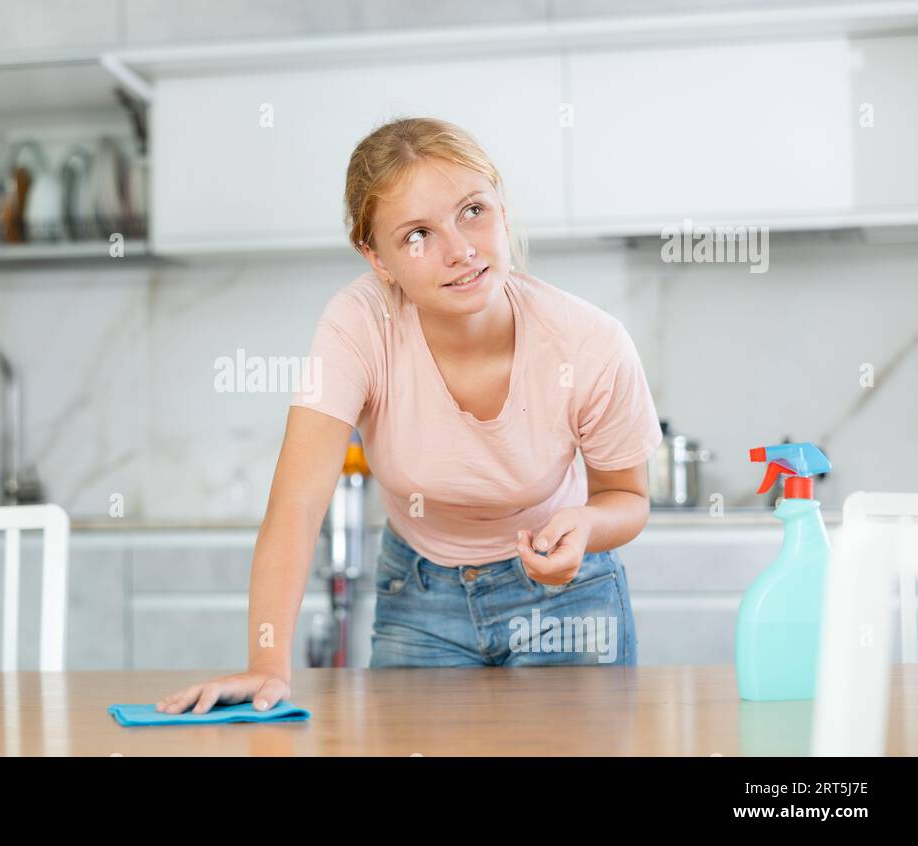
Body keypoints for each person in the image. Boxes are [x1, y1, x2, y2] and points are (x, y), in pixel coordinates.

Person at [157, 117, 663, 714]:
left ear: (499, 202)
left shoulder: (590, 343)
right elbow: (296, 505)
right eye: (418, 234)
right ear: (376, 257)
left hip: (567, 600)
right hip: (419, 595)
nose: (460, 249)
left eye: (473, 210)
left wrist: (583, 525)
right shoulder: (358, 326)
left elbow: (627, 498)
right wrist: (267, 666)